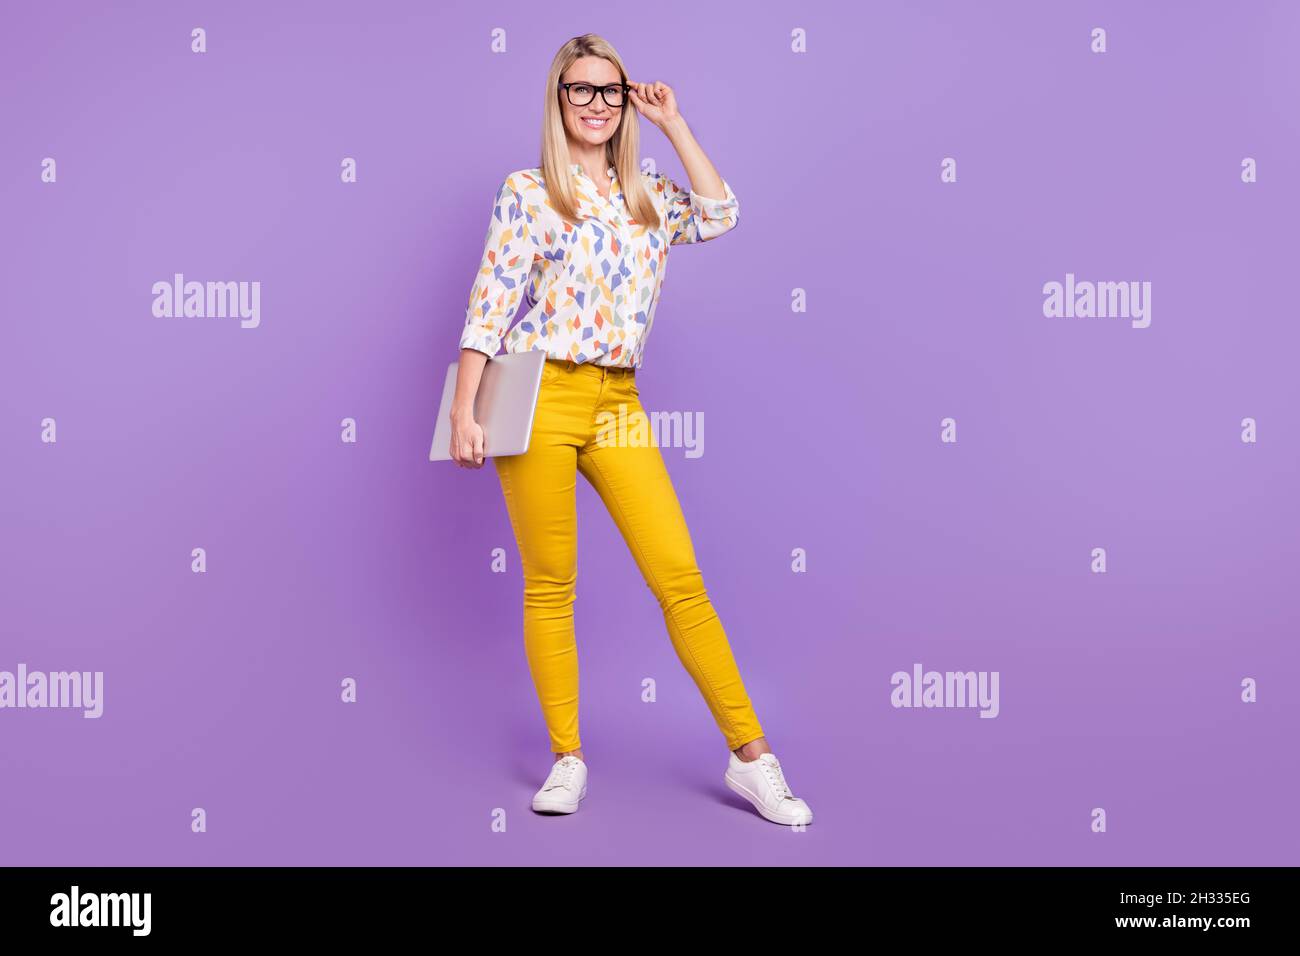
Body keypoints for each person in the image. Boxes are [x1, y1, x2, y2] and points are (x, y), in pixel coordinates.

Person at [449, 33, 812, 826]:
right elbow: (491, 300)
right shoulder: (529, 189)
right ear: (558, 99)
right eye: (580, 91)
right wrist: (463, 409)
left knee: (678, 577)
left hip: (617, 403)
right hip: (537, 393)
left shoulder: (646, 193)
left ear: (624, 102)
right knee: (552, 582)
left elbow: (721, 212)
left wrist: (676, 124)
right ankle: (567, 758)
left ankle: (753, 757)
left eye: (609, 92)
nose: (596, 105)